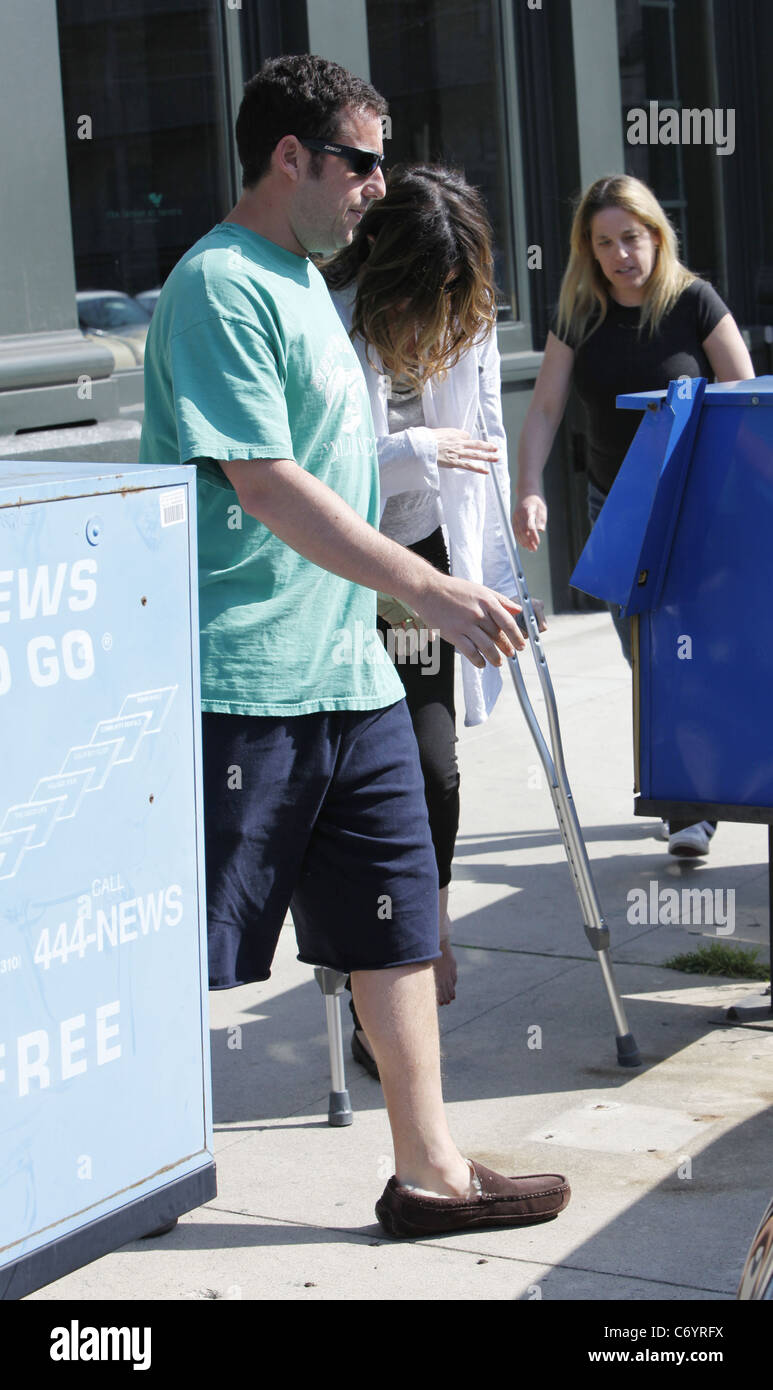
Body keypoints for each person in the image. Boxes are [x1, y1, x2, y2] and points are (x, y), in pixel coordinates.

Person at [139, 54, 570, 1237]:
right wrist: (427, 586)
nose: (379, 186)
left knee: (395, 918)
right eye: (363, 162)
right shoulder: (221, 284)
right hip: (246, 679)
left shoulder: (299, 284)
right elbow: (268, 485)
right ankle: (115, 1159)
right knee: (185, 947)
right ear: (292, 158)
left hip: (344, 668)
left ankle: (427, 1173)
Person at [324, 164, 545, 1074]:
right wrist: (414, 446)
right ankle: (373, 978)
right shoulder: (328, 316)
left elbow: (485, 434)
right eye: (427, 293)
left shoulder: (466, 310)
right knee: (348, 793)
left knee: (430, 766)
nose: (442, 316)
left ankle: (426, 936)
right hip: (341, 568)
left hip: (428, 564)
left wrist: (500, 571)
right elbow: (310, 472)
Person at [513, 173, 754, 858]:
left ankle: (688, 802)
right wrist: (527, 486)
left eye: (631, 237)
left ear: (655, 235)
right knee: (645, 657)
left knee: (696, 653)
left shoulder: (693, 302)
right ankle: (687, 789)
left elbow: (745, 398)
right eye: (604, 243)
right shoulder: (578, 314)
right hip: (617, 513)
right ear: (586, 252)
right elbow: (545, 410)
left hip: (697, 508)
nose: (620, 254)